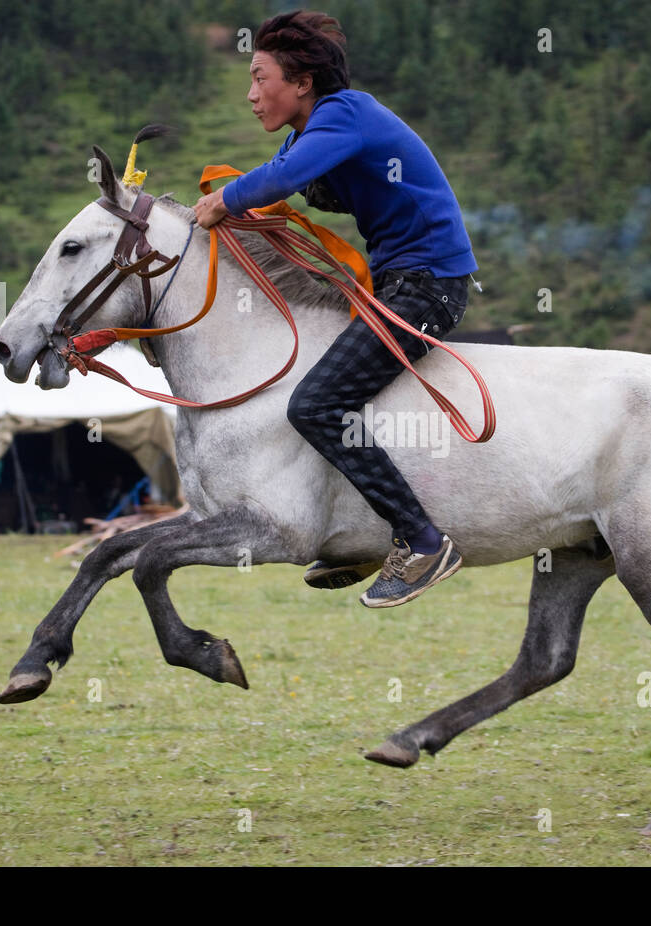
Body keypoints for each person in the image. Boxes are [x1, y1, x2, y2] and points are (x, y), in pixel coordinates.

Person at [193, 10, 478, 609]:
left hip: (427, 287)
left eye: (258, 77)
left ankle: (423, 541)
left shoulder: (344, 114)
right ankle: (368, 536)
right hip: (396, 282)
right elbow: (292, 176)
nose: (249, 94)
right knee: (323, 392)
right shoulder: (314, 133)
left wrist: (226, 198)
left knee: (317, 404)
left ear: (301, 83)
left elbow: (282, 177)